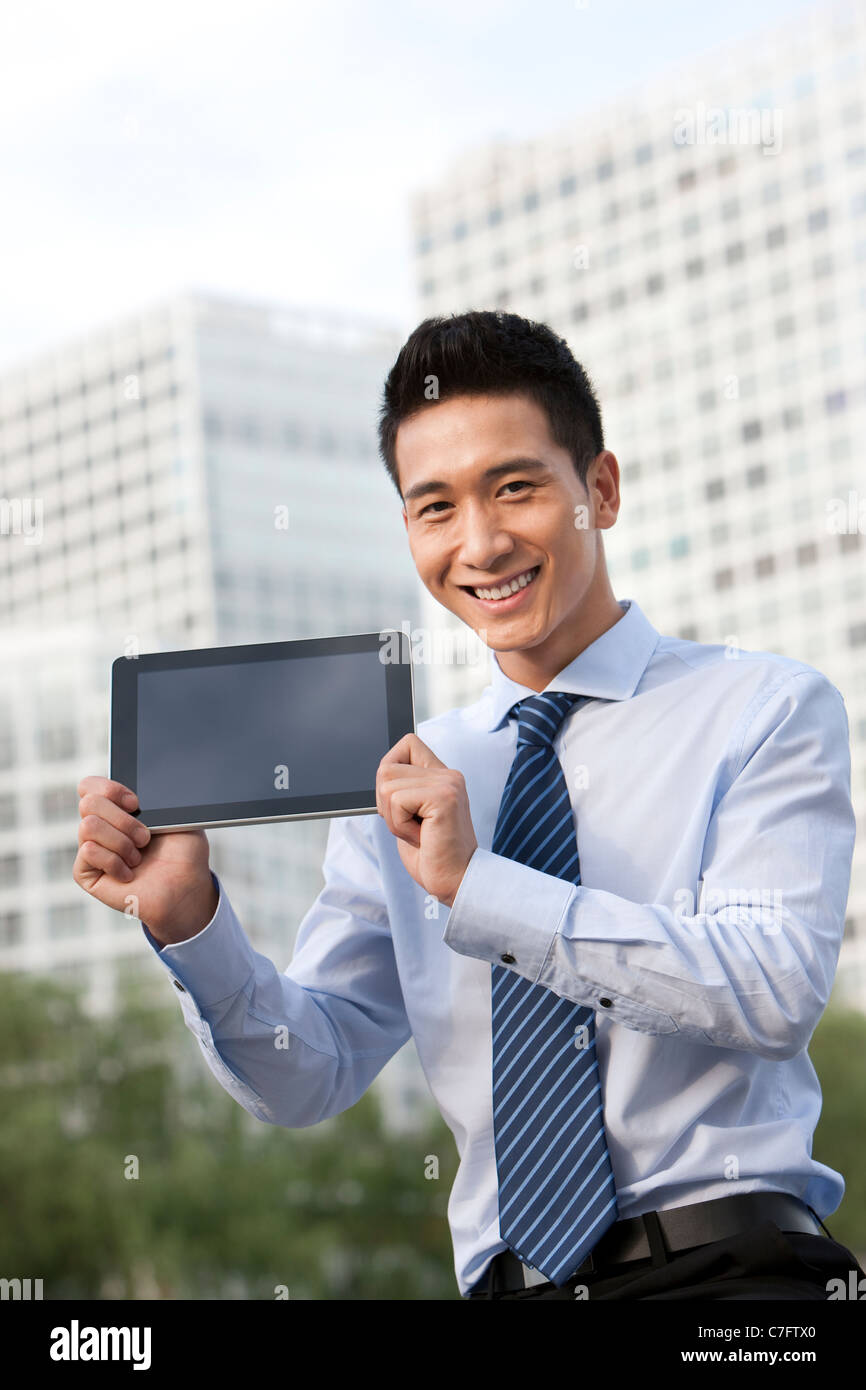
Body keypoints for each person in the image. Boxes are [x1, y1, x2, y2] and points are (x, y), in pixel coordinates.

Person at [74, 310, 864, 1300]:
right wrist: (190, 923)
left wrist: (478, 887)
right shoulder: (405, 775)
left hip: (729, 1274)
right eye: (434, 507)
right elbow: (304, 1071)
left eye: (516, 487)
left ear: (600, 490)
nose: (480, 543)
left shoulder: (760, 706)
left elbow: (770, 989)